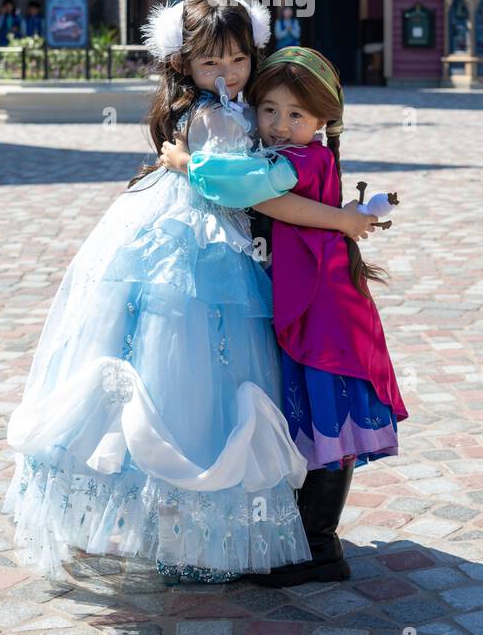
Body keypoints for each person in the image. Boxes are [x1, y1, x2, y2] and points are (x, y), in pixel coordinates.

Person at [1, 0, 377, 584]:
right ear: (183, 62)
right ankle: (208, 518)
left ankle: (225, 521)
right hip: (198, 243)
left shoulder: (227, 112)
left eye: (238, 60)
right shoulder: (214, 115)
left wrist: (184, 161)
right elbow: (243, 188)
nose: (227, 72)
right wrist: (189, 165)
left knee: (189, 372)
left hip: (202, 235)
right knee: (190, 366)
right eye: (211, 61)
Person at [162, 44, 408, 586]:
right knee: (316, 420)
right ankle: (307, 539)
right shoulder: (301, 156)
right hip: (317, 304)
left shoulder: (298, 160)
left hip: (323, 312)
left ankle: (319, 547)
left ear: (322, 121)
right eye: (268, 109)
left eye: (296, 114)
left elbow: (247, 190)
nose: (278, 124)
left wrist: (184, 162)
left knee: (327, 422)